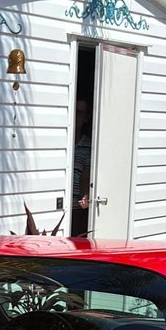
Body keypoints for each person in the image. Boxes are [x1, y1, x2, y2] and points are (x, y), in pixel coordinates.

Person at [71, 96, 92, 236]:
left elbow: (86, 174)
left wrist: (84, 196)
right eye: (76, 111)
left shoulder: (88, 144)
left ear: (86, 118)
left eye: (81, 113)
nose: (78, 116)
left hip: (75, 208)